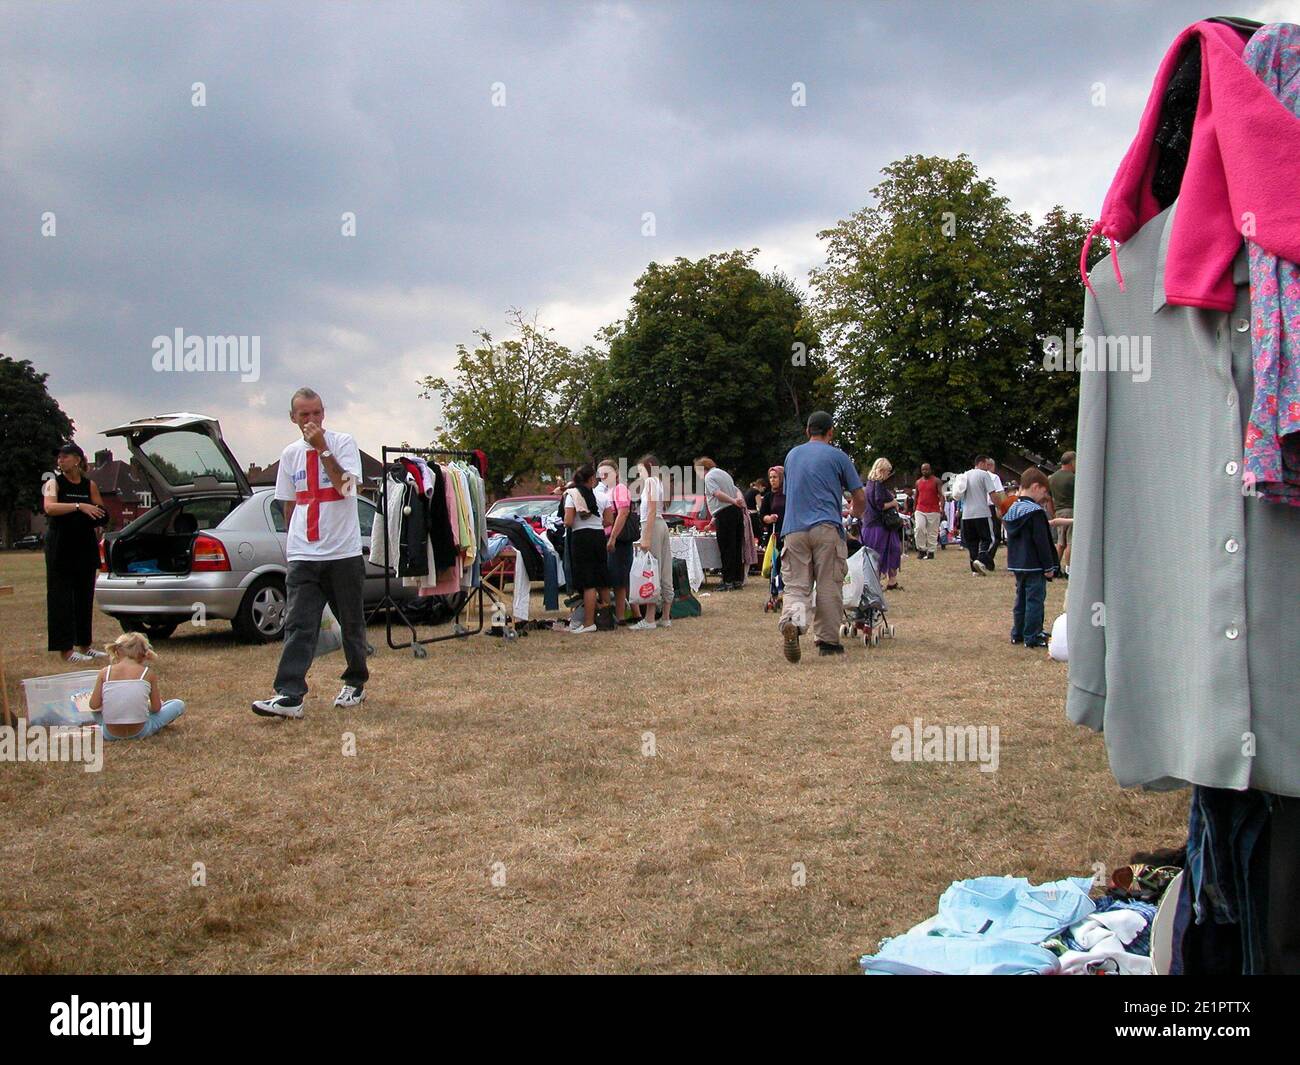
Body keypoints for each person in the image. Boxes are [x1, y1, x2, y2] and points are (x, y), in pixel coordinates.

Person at [253, 387, 369, 718]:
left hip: (342, 552)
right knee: (299, 624)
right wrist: (292, 544)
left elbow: (346, 488)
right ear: (293, 418)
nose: (312, 420)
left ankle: (355, 681)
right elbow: (289, 503)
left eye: (317, 413)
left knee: (351, 621)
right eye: (305, 415)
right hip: (305, 553)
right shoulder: (289, 454)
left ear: (324, 413)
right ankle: (290, 694)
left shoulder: (343, 442)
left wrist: (323, 449)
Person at [777, 411, 865, 661]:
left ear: (807, 431)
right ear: (831, 432)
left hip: (793, 529)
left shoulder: (792, 456)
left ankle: (793, 622)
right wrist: (854, 517)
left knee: (797, 585)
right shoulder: (838, 456)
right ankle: (827, 641)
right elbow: (859, 496)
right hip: (826, 528)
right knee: (828, 584)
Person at [42, 443, 109, 663]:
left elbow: (100, 511)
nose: (60, 461)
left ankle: (85, 644)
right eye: (59, 457)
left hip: (83, 544)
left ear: (78, 460)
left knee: (84, 594)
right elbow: (50, 508)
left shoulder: (90, 485)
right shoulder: (53, 483)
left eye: (65, 457)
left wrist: (97, 515)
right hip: (60, 544)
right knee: (62, 596)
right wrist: (79, 506)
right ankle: (66, 649)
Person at [87, 631, 185, 739]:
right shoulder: (148, 674)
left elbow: (93, 705)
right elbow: (156, 708)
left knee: (95, 709)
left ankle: (102, 726)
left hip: (109, 733)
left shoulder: (104, 672)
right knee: (178, 704)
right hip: (140, 731)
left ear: (117, 651)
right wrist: (146, 706)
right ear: (143, 655)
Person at [1002, 467, 1060, 648]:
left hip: (1017, 563)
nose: (1044, 497)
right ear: (1036, 487)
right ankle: (1032, 635)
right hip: (1034, 564)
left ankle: (1017, 632)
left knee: (1021, 599)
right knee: (1035, 600)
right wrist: (1049, 566)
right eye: (1044, 491)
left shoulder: (1011, 510)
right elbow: (1042, 542)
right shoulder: (1035, 512)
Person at [562, 464, 611, 635]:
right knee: (602, 578)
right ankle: (607, 619)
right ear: (591, 479)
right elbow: (609, 519)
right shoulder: (602, 496)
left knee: (588, 582)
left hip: (581, 538)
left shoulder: (572, 495)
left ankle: (589, 622)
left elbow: (568, 521)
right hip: (598, 536)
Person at [631, 454, 673, 630]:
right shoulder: (659, 482)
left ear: (648, 466)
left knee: (651, 571)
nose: (639, 474)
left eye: (640, 470)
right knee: (664, 569)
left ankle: (649, 619)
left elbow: (651, 509)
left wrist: (645, 536)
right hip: (660, 524)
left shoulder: (650, 482)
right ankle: (665, 616)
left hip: (653, 525)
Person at [694, 456, 747, 590]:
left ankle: (727, 580)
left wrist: (733, 501)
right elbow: (737, 490)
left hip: (725, 514)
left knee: (726, 548)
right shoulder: (724, 474)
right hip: (735, 512)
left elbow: (717, 494)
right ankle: (737, 579)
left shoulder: (709, 477)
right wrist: (737, 500)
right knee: (735, 546)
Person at [597, 458, 636, 625]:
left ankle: (620, 617)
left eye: (607, 473)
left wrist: (612, 537)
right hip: (609, 537)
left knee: (619, 581)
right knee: (616, 579)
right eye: (601, 474)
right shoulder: (607, 491)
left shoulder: (619, 489)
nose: (603, 476)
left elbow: (623, 513)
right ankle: (623, 615)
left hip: (618, 540)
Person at [957, 455, 1004, 575]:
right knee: (990, 539)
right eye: (987, 464)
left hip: (967, 515)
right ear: (982, 463)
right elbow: (993, 494)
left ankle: (974, 570)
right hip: (982, 512)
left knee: (972, 542)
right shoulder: (984, 475)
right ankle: (981, 559)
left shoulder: (965, 475)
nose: (988, 467)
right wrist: (1001, 507)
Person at [861, 458, 903, 590]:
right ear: (882, 470)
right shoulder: (877, 484)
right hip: (878, 526)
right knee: (881, 554)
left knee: (888, 552)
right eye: (888, 471)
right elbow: (879, 504)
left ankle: (890, 581)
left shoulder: (869, 484)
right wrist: (893, 503)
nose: (888, 474)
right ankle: (876, 583)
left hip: (873, 525)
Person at [1048, 450, 1076, 577]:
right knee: (1070, 542)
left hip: (1058, 511)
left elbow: (1049, 499)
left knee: (1060, 542)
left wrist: (1053, 513)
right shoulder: (1074, 478)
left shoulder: (1052, 478)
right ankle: (1069, 570)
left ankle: (1054, 567)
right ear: (1072, 462)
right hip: (1071, 511)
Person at [913, 462, 943, 560]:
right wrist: (914, 508)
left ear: (930, 470)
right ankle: (921, 550)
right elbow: (916, 496)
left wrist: (942, 506)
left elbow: (941, 495)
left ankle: (931, 552)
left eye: (927, 469)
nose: (925, 471)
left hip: (934, 509)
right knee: (919, 528)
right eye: (923, 470)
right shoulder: (918, 482)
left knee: (932, 532)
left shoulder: (936, 481)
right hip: (920, 509)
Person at [758, 465, 785, 548]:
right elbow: (762, 515)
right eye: (770, 477)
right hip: (774, 533)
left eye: (775, 477)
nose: (772, 480)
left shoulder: (789, 494)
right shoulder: (768, 496)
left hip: (788, 533)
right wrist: (769, 518)